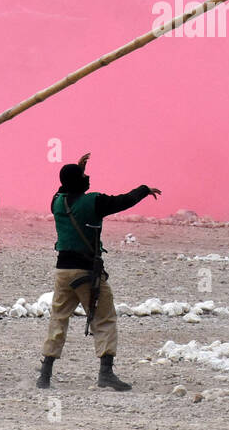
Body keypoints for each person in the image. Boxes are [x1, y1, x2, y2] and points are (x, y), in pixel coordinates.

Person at [36, 153, 160, 391]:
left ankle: (45, 374)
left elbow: (64, 187)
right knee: (104, 319)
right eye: (83, 176)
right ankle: (106, 373)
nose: (88, 178)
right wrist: (144, 189)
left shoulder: (56, 202)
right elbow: (123, 201)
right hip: (86, 272)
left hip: (63, 271)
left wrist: (76, 170)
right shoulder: (93, 201)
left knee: (58, 319)